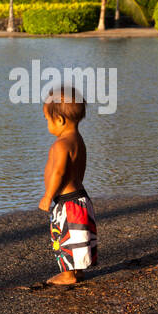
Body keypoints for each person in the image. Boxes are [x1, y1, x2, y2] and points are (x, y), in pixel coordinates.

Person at [37, 86, 97, 285]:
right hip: (80, 198)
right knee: (77, 238)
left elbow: (59, 172)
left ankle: (69, 274)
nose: (47, 123)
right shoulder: (78, 141)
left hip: (68, 202)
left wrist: (48, 196)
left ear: (60, 120)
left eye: (47, 119)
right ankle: (76, 271)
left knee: (66, 238)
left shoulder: (61, 145)